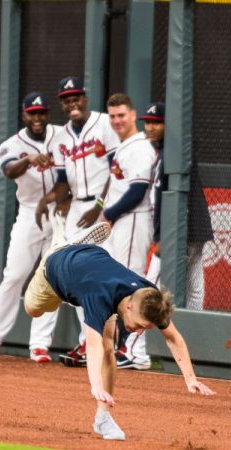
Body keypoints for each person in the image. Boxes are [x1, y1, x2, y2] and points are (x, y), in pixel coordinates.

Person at [23, 218, 215, 441]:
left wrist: (190, 378)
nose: (140, 331)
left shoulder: (149, 296)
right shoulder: (99, 295)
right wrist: (95, 386)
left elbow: (173, 337)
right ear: (130, 306)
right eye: (141, 325)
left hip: (90, 264)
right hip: (53, 272)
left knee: (109, 347)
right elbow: (91, 347)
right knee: (33, 310)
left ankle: (103, 419)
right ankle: (62, 245)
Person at [35, 76, 121, 367]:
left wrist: (100, 207)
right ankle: (88, 342)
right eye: (66, 98)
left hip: (104, 207)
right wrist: (47, 200)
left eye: (76, 97)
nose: (72, 102)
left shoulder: (105, 124)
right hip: (76, 211)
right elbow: (62, 182)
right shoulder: (61, 139)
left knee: (101, 276)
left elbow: (115, 171)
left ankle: (107, 343)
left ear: (85, 98)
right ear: (62, 104)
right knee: (75, 277)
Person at [0, 92, 62, 363]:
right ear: (24, 115)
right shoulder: (12, 144)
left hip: (61, 213)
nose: (37, 118)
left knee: (52, 279)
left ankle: (39, 345)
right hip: (29, 213)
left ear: (47, 114)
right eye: (32, 113)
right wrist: (29, 160)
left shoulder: (62, 135)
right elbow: (9, 170)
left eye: (41, 112)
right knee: (14, 275)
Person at [99, 93, 158, 370]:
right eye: (112, 116)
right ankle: (126, 347)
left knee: (132, 284)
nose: (117, 120)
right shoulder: (127, 145)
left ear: (133, 115)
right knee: (122, 286)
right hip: (123, 221)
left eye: (121, 115)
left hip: (133, 219)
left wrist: (108, 214)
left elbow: (137, 191)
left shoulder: (139, 147)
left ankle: (137, 352)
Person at [142, 102, 213, 311]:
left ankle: (141, 340)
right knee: (193, 286)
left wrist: (162, 236)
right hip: (190, 228)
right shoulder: (165, 153)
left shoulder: (177, 152)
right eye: (147, 123)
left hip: (184, 230)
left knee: (154, 285)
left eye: (156, 123)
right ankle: (187, 332)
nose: (150, 128)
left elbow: (170, 198)